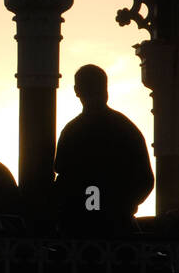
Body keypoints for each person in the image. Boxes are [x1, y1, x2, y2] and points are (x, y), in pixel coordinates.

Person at [53, 65, 154, 236]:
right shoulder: (125, 129)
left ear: (77, 91)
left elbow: (62, 175)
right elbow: (145, 180)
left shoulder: (72, 131)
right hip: (116, 226)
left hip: (79, 229)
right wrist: (121, 206)